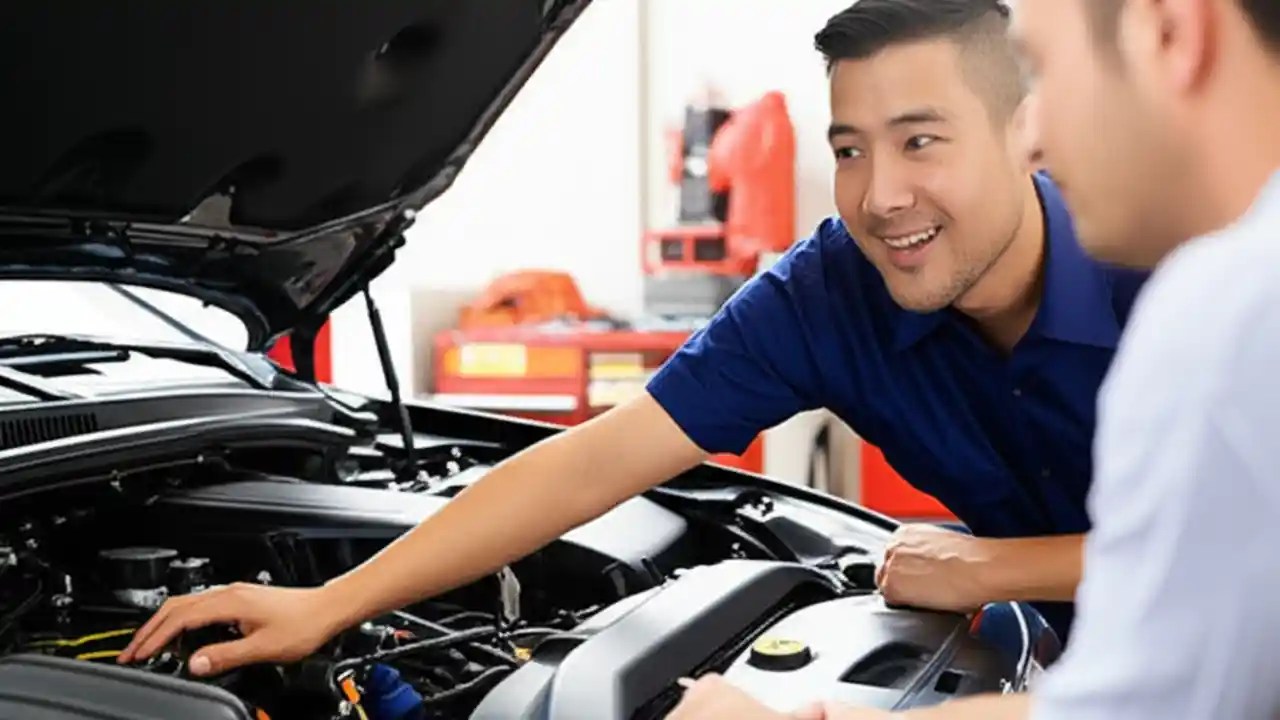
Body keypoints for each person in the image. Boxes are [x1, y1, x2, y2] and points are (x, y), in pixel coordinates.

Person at [118, 0, 1146, 676]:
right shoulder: (831, 292)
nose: (879, 196)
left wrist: (986, 570)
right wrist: (329, 604)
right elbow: (590, 464)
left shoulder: (1159, 259)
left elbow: (1248, 558)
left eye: (920, 141)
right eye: (847, 149)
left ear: (1021, 134)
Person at [670, 0, 1280, 717]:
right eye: (850, 151)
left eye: (1048, 76)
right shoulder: (1230, 292)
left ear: (1171, 33)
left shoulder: (1231, 312)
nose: (1037, 137)